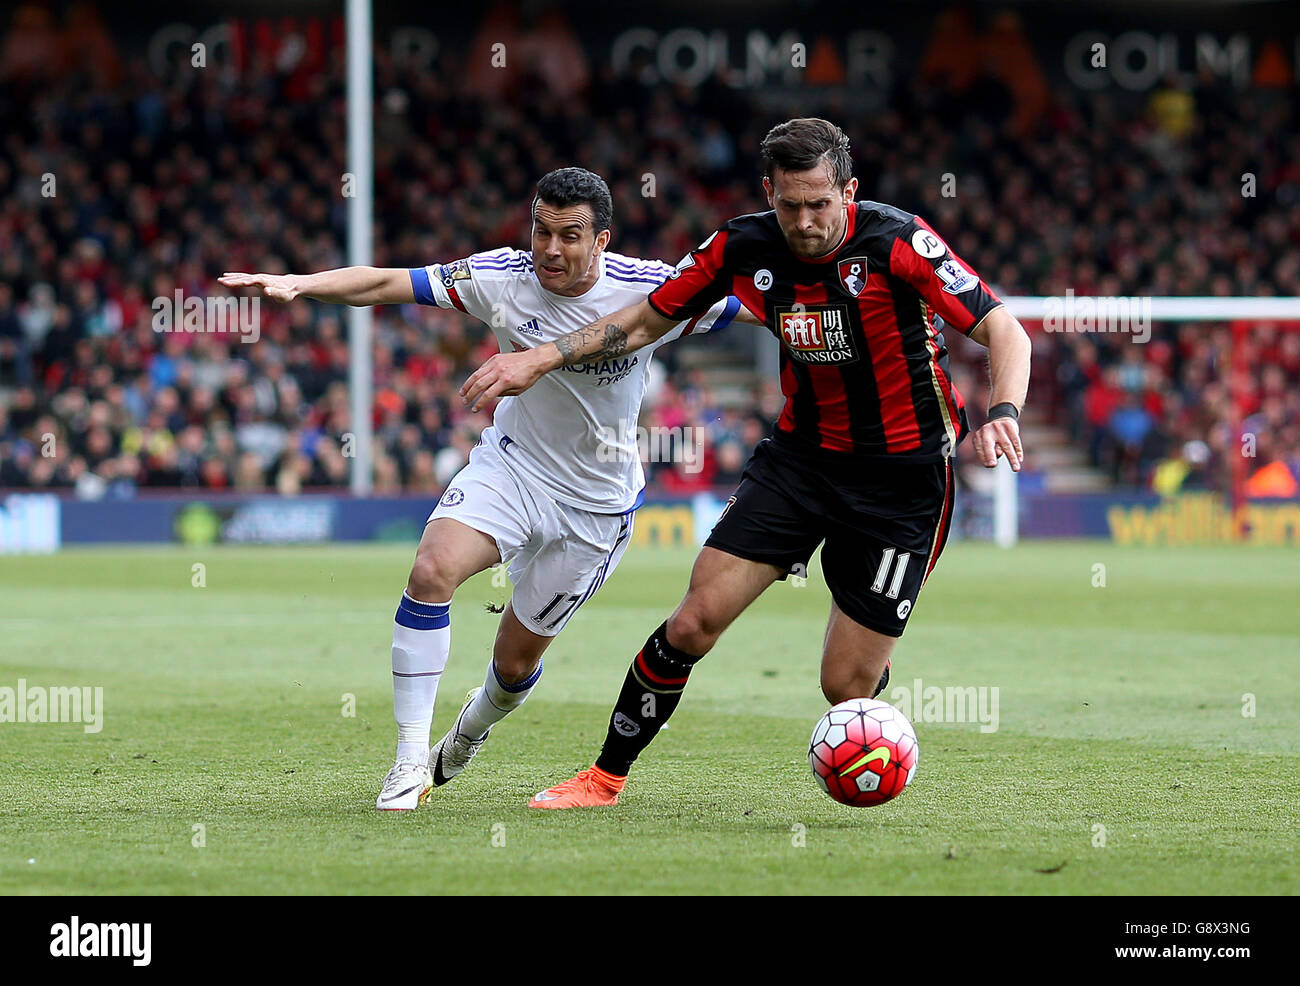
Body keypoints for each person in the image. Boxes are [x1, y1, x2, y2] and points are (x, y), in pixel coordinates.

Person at [459, 119, 1032, 808]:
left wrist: (1003, 410)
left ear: (849, 191)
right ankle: (605, 778)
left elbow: (1003, 327)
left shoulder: (899, 241)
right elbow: (646, 320)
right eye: (790, 205)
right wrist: (543, 355)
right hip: (800, 463)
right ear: (770, 193)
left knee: (843, 687)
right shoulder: (741, 244)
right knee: (694, 620)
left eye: (820, 204)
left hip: (903, 481)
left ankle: (871, 688)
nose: (805, 221)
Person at [220, 167, 755, 809]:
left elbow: (757, 307)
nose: (550, 250)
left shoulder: (653, 291)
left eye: (568, 236)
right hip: (513, 467)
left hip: (596, 505)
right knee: (431, 570)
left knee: (512, 665)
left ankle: (469, 733)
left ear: (603, 240)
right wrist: (302, 284)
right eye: (541, 231)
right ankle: (409, 761)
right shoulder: (502, 277)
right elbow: (390, 282)